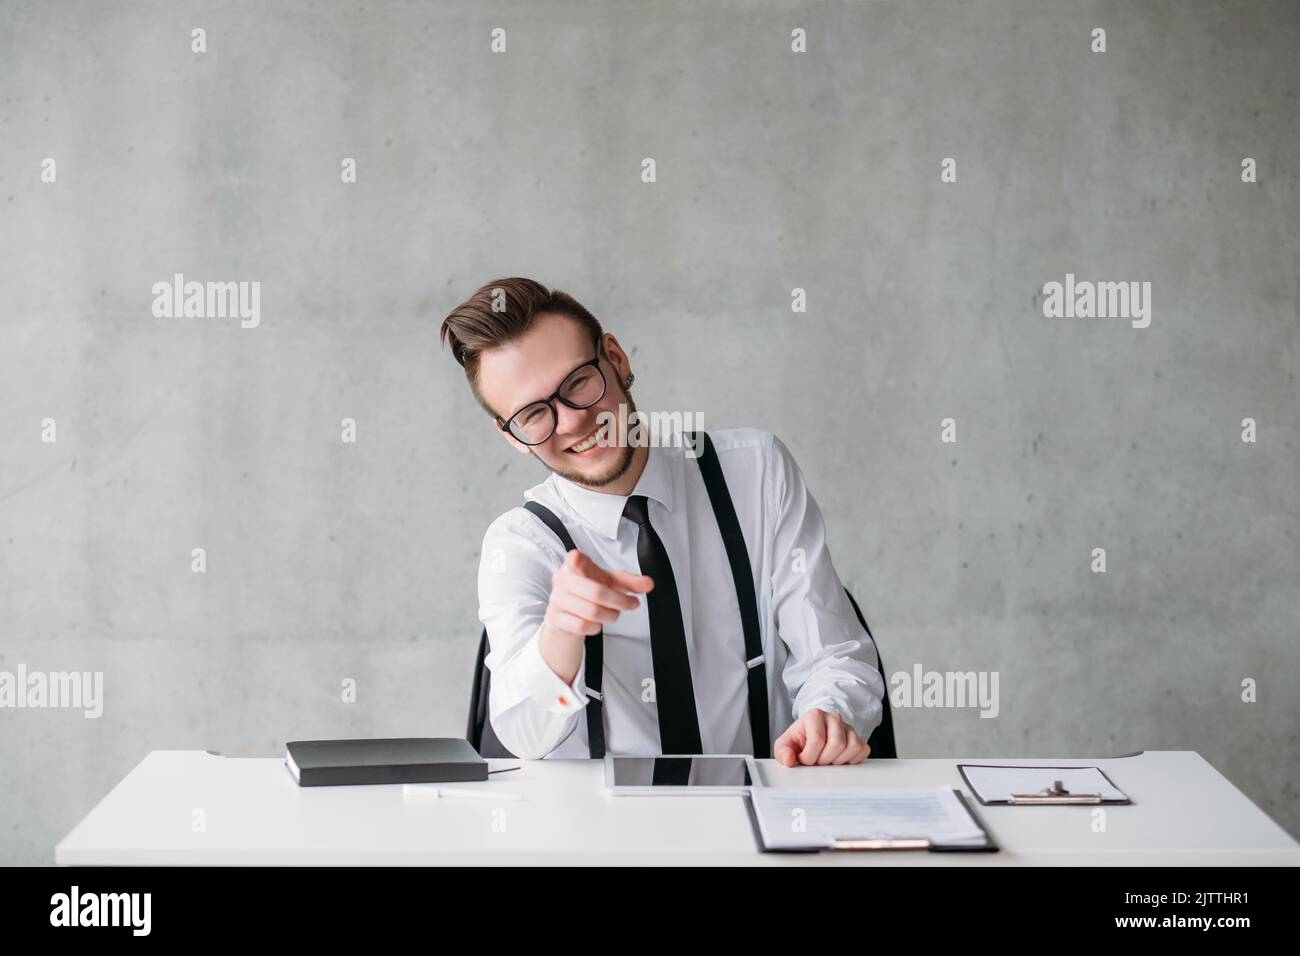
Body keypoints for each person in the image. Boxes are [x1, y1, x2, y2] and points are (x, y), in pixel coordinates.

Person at [440, 278, 884, 766]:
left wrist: (829, 713)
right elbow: (524, 737)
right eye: (532, 413)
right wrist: (561, 634)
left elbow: (835, 655)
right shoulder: (520, 545)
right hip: (605, 831)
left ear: (616, 358)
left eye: (577, 384)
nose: (569, 422)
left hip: (763, 812)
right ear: (512, 435)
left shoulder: (755, 472)